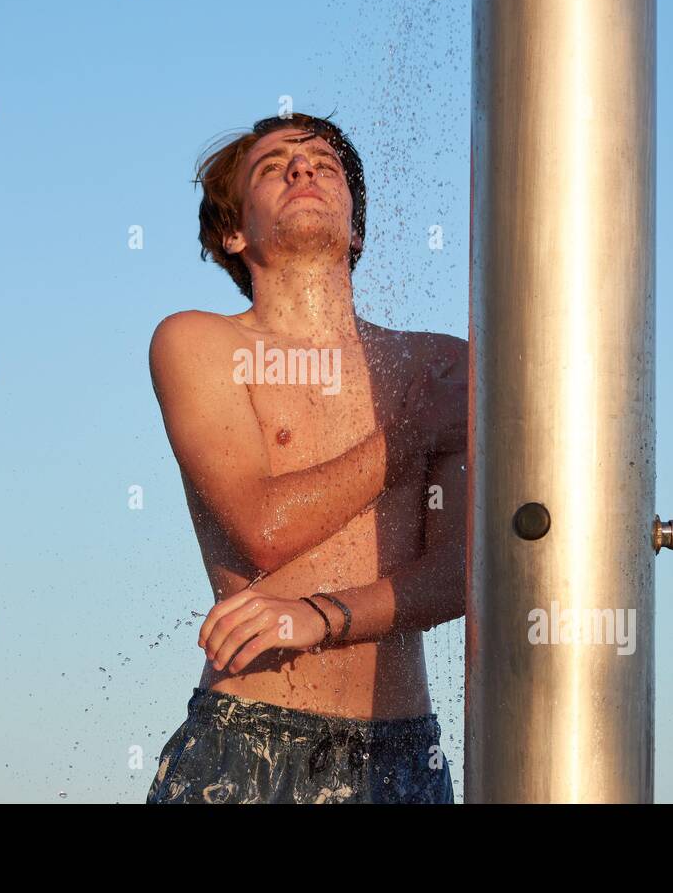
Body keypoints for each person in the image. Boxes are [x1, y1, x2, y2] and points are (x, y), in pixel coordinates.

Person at [145, 112, 467, 803]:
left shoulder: (441, 364)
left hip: (403, 755)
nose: (303, 169)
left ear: (355, 227)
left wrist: (322, 615)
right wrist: (407, 435)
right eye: (273, 167)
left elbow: (464, 570)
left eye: (324, 163)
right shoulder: (199, 346)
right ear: (234, 233)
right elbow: (264, 527)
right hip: (250, 741)